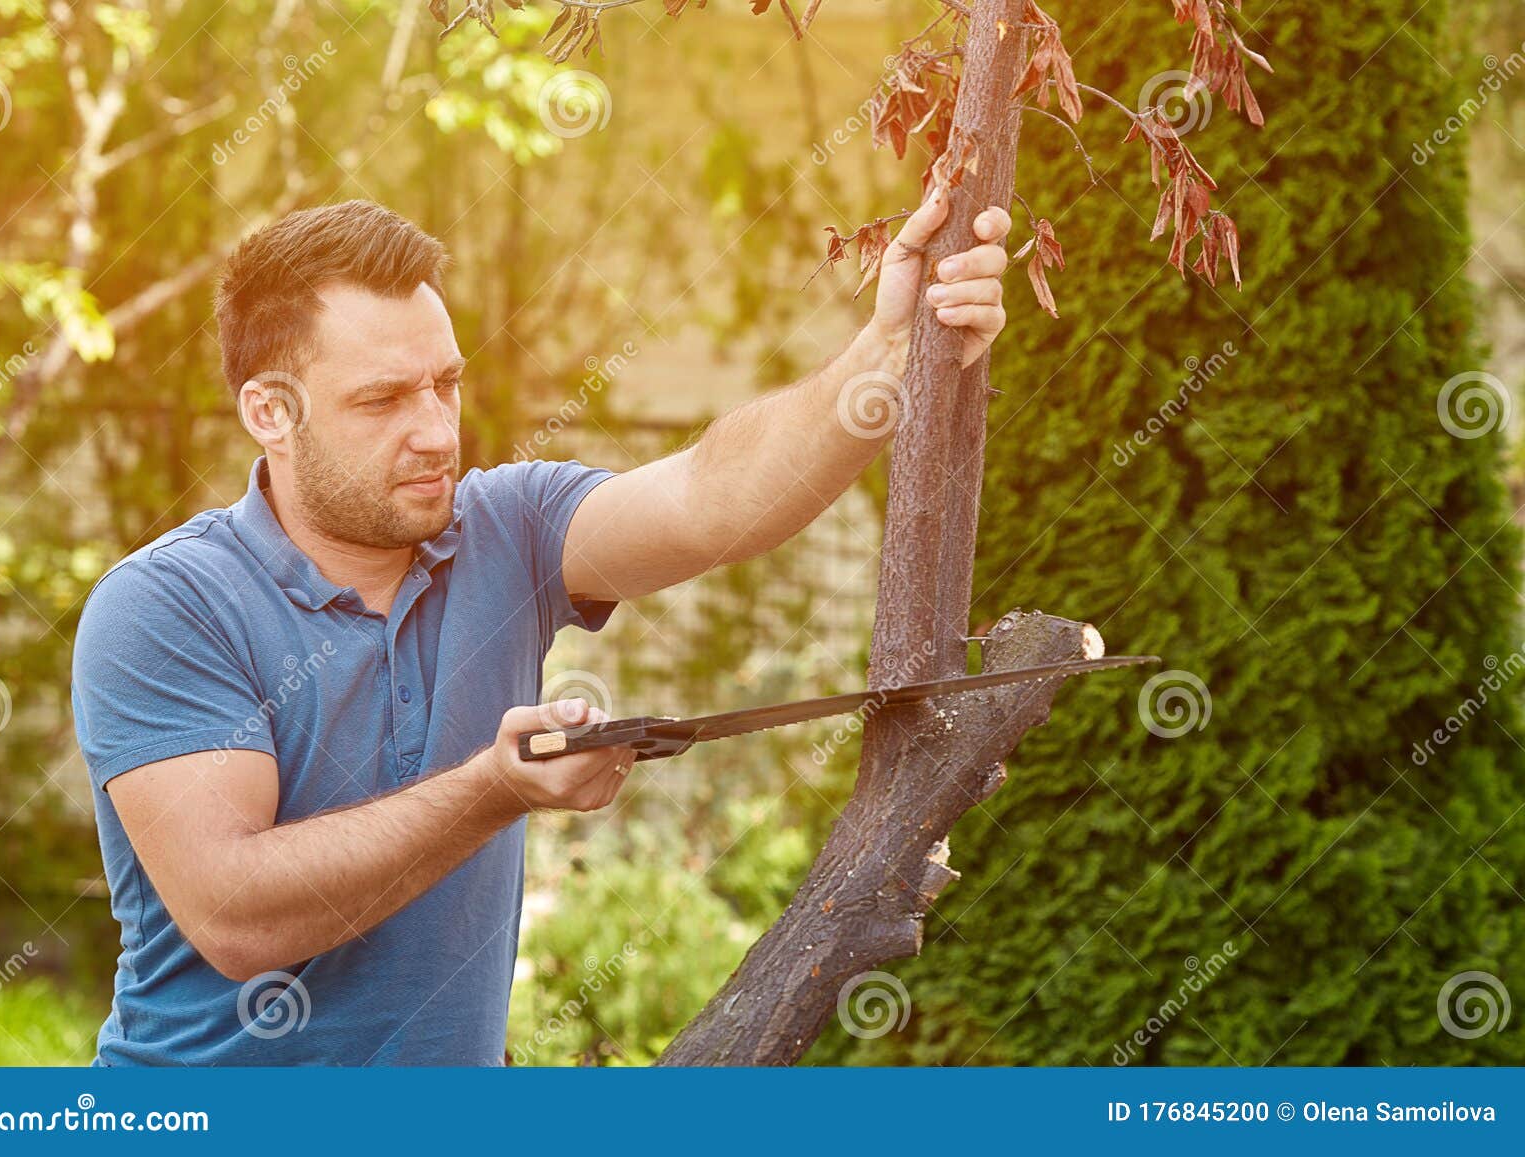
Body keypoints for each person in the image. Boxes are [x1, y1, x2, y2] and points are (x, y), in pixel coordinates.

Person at [71, 189, 1013, 1065]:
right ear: (269, 412)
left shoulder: (507, 529)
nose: (438, 430)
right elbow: (240, 919)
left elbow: (712, 498)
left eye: (444, 384)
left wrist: (887, 354)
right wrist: (493, 788)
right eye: (383, 399)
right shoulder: (166, 606)